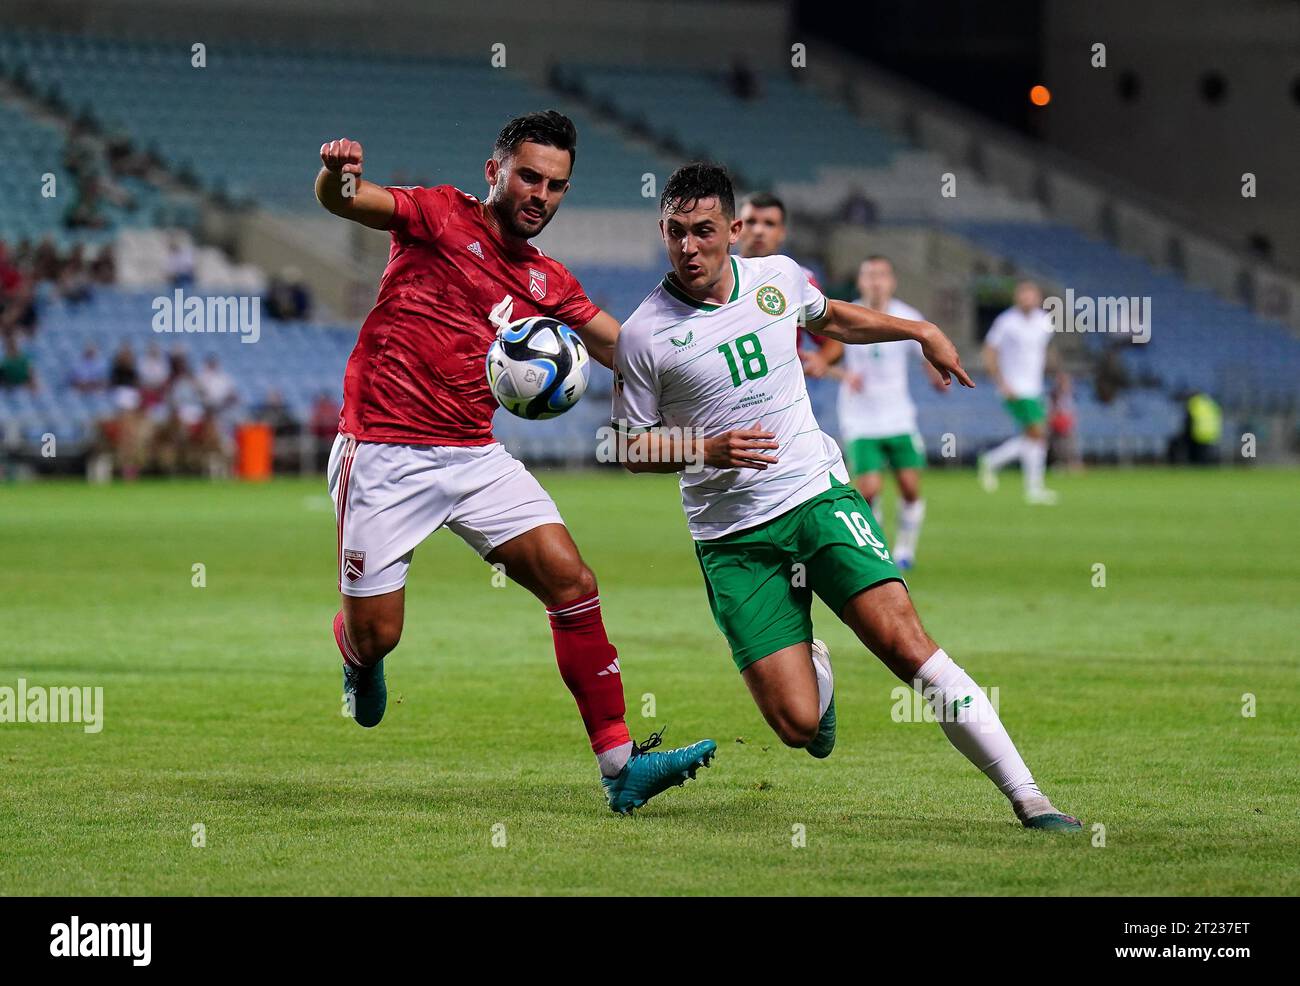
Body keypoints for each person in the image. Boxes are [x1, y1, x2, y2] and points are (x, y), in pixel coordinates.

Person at [611, 162, 1079, 831]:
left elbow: (834, 322)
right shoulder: (643, 334)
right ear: (663, 230)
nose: (690, 247)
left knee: (908, 645)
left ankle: (1031, 798)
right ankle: (816, 669)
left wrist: (919, 331)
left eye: (704, 231)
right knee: (799, 726)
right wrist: (704, 450)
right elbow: (628, 446)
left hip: (816, 496)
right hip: (732, 538)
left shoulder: (777, 279)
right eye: (677, 232)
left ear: (734, 230)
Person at [314, 111, 714, 814]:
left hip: (473, 455)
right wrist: (336, 174)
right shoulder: (437, 214)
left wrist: (710, 367)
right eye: (529, 176)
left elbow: (622, 349)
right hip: (383, 451)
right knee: (382, 633)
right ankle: (357, 653)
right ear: (494, 171)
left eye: (557, 186)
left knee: (571, 580)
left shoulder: (548, 280)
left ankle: (621, 768)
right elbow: (350, 200)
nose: (541, 194)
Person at [827, 256, 945, 569]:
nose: (876, 281)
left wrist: (937, 375)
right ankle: (880, 552)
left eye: (881, 275)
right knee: (867, 491)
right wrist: (844, 376)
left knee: (909, 487)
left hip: (899, 416)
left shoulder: (907, 317)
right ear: (860, 281)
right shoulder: (846, 314)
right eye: (869, 275)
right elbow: (825, 359)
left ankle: (905, 549)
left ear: (891, 281)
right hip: (860, 418)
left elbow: (926, 357)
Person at [978, 280, 1059, 504]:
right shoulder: (1006, 321)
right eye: (1023, 294)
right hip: (1014, 387)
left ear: (1038, 297)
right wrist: (1001, 382)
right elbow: (989, 351)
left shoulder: (1045, 321)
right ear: (1017, 297)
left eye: (1031, 295)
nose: (1027, 299)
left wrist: (1057, 374)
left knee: (1034, 438)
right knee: (1038, 433)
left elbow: (1046, 351)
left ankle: (993, 462)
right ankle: (1033, 488)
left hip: (1035, 386)